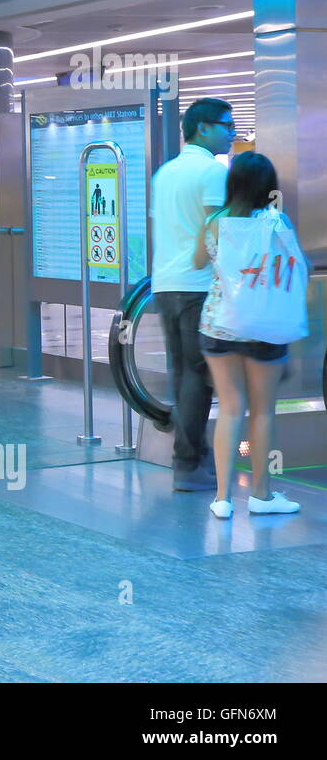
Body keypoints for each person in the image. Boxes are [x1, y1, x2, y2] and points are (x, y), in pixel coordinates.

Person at [194, 153, 301, 519]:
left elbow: (198, 261)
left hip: (219, 323)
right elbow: (295, 266)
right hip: (265, 326)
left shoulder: (214, 222)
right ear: (269, 187)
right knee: (262, 412)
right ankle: (261, 495)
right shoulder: (276, 222)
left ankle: (222, 499)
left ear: (233, 183)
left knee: (230, 408)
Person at [151, 97, 232, 491]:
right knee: (198, 376)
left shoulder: (165, 173)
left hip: (165, 284)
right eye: (227, 125)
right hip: (197, 286)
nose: (232, 133)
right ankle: (187, 464)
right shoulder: (212, 172)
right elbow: (215, 232)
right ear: (203, 128)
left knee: (182, 373)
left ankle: (191, 459)